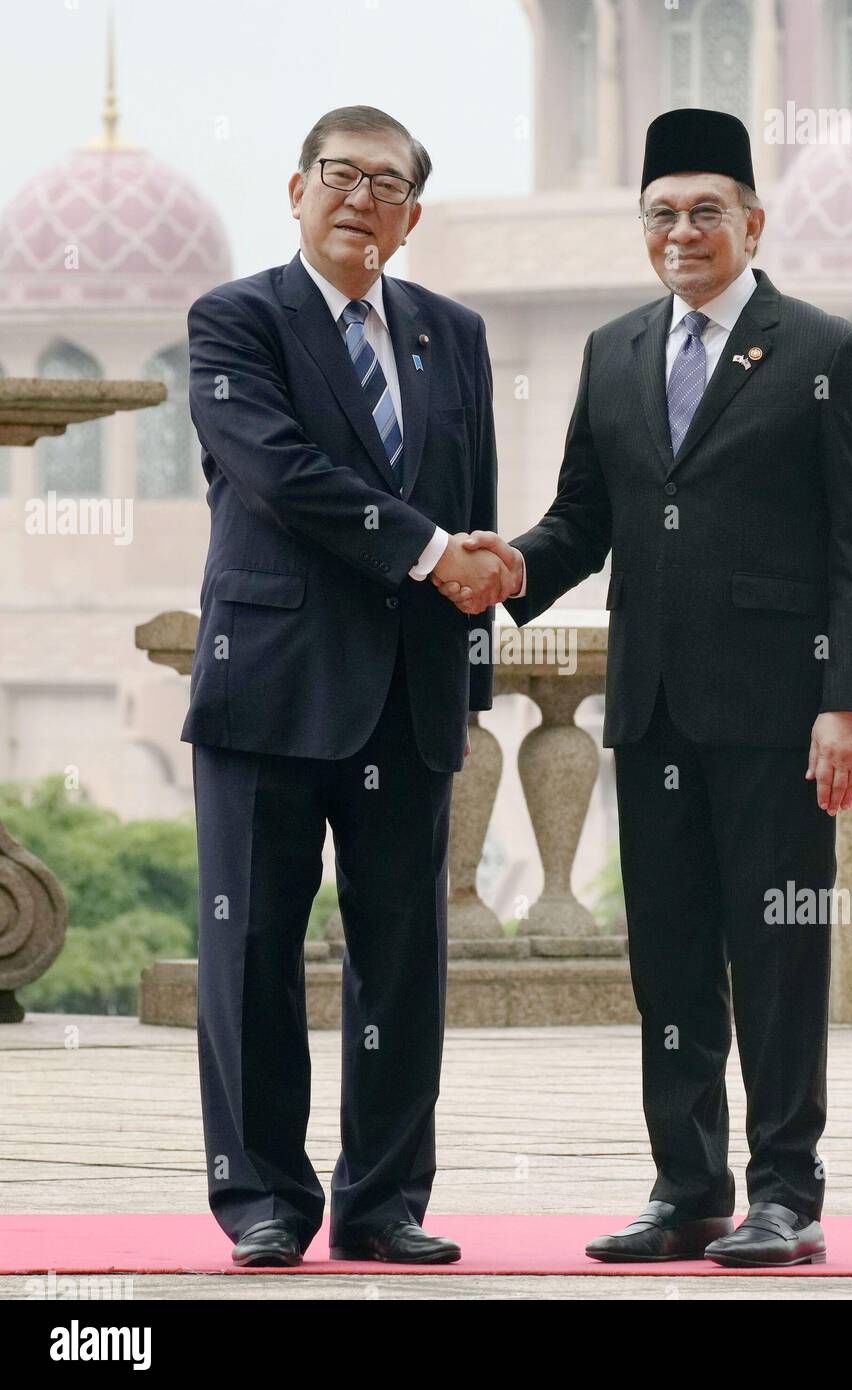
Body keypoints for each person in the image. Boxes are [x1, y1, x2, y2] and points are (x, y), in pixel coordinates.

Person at [432, 108, 852, 1267]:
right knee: (672, 958)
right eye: (661, 215)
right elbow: (590, 515)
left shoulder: (824, 351)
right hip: (652, 707)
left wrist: (849, 704)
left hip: (780, 714)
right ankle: (688, 1186)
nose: (681, 233)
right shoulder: (618, 351)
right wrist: (515, 564)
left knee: (778, 954)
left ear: (752, 221)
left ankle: (787, 1193)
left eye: (704, 212)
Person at [183, 105, 513, 1267]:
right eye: (339, 174)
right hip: (267, 684)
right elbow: (280, 472)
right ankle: (264, 1198)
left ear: (411, 216)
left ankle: (384, 1202)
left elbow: (468, 490)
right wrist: (431, 553)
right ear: (295, 190)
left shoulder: (450, 332)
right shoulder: (237, 320)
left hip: (410, 695)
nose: (359, 196)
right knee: (252, 948)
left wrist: (466, 668)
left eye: (386, 183)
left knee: (402, 960)